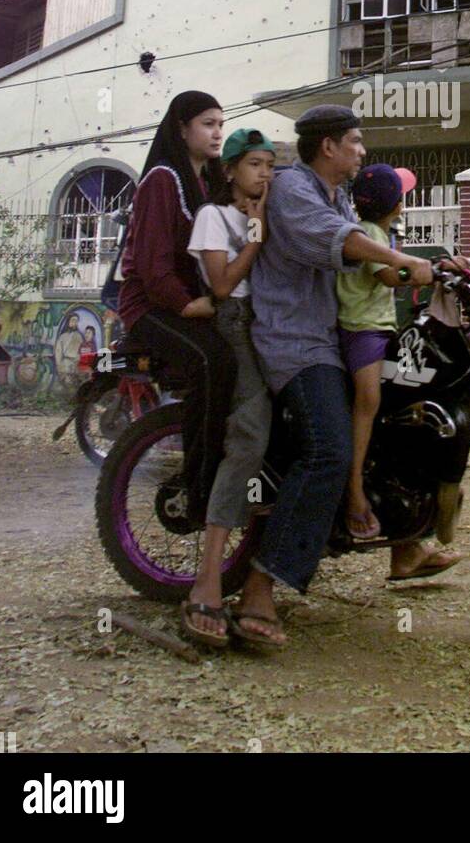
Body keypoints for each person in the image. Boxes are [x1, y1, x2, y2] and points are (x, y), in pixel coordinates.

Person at [230, 105, 459, 650]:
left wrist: (436, 263)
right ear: (328, 146)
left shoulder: (332, 192)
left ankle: (403, 543)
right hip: (294, 342)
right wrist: (407, 262)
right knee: (330, 449)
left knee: (393, 417)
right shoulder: (292, 189)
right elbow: (340, 242)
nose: (362, 151)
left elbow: (361, 249)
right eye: (355, 141)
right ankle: (258, 590)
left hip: (327, 337)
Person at [118, 91, 236, 535]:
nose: (217, 132)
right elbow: (151, 268)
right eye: (207, 123)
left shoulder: (205, 181)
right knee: (213, 361)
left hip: (190, 301)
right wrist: (190, 305)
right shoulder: (163, 180)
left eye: (220, 123)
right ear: (181, 128)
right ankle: (197, 485)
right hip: (151, 306)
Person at [181, 128, 277, 647]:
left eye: (268, 164)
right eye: (254, 164)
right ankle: (208, 578)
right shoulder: (215, 217)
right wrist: (256, 235)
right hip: (234, 323)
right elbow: (220, 286)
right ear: (230, 170)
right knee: (250, 436)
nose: (264, 172)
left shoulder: (261, 216)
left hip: (272, 326)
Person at [336, 162, 416, 540]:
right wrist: (419, 270)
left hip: (377, 329)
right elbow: (388, 275)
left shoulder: (378, 233)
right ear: (396, 205)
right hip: (361, 331)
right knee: (367, 402)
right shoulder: (369, 234)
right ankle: (352, 486)